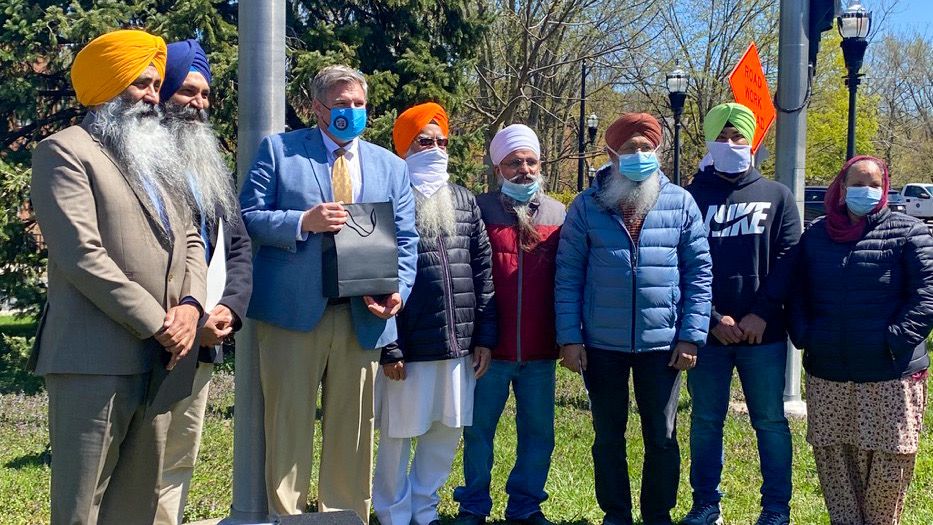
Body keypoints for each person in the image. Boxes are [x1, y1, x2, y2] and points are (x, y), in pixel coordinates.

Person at [29, 29, 207, 524]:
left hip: (161, 357)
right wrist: (160, 322)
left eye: (155, 85)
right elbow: (82, 256)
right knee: (82, 506)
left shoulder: (156, 154)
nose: (153, 96)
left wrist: (190, 308)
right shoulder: (64, 152)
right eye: (141, 84)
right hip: (94, 359)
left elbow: (191, 237)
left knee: (138, 505)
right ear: (107, 86)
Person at [239, 65, 419, 521]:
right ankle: (289, 517)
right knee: (288, 426)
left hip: (363, 316)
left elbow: (406, 239)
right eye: (341, 104)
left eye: (358, 104)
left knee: (354, 431)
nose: (351, 112)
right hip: (292, 315)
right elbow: (248, 217)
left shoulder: (391, 166)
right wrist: (303, 221)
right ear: (317, 107)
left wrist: (398, 290)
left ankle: (345, 515)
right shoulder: (279, 151)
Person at [554, 113, 713, 525]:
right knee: (608, 436)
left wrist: (691, 335)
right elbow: (568, 274)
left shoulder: (680, 202)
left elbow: (699, 272)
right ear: (611, 154)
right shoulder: (587, 205)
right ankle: (616, 514)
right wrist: (570, 338)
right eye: (630, 149)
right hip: (601, 344)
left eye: (647, 148)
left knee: (662, 436)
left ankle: (658, 514)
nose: (640, 155)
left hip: (663, 344)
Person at [769, 155, 932, 525]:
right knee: (836, 461)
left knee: (890, 460)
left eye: (874, 184)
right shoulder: (817, 235)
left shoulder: (909, 232)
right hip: (830, 373)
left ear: (885, 188)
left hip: (889, 373)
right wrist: (807, 335)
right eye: (858, 184)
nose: (866, 191)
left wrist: (894, 340)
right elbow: (797, 291)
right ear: (842, 189)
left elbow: (926, 296)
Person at [372, 102, 497, 525]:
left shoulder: (463, 199)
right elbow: (375, 274)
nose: (437, 149)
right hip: (409, 345)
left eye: (442, 142)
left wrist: (484, 337)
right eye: (425, 142)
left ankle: (424, 511)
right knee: (398, 435)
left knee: (445, 433)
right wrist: (390, 345)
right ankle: (392, 513)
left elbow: (482, 270)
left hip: (459, 345)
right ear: (405, 146)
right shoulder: (388, 196)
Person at [681, 103, 799, 525]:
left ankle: (775, 509)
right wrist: (713, 319)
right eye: (722, 137)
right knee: (705, 421)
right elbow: (681, 263)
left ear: (752, 141)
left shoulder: (778, 196)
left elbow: (788, 260)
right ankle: (706, 504)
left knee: (769, 422)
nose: (730, 144)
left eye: (738, 136)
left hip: (763, 335)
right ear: (709, 141)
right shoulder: (690, 198)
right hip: (708, 334)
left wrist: (761, 314)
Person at [154, 39, 253, 525]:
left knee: (179, 457)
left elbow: (238, 248)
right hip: (155, 337)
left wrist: (229, 308)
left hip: (207, 339)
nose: (198, 104)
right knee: (140, 461)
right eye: (187, 91)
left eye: (206, 94)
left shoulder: (211, 167)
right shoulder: (139, 162)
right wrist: (187, 320)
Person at [453, 124, 566, 525]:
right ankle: (473, 504)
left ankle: (525, 505)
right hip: (490, 349)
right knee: (478, 431)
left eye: (531, 161)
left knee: (539, 433)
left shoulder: (558, 214)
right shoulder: (478, 210)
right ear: (497, 167)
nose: (524, 170)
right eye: (514, 162)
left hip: (540, 349)